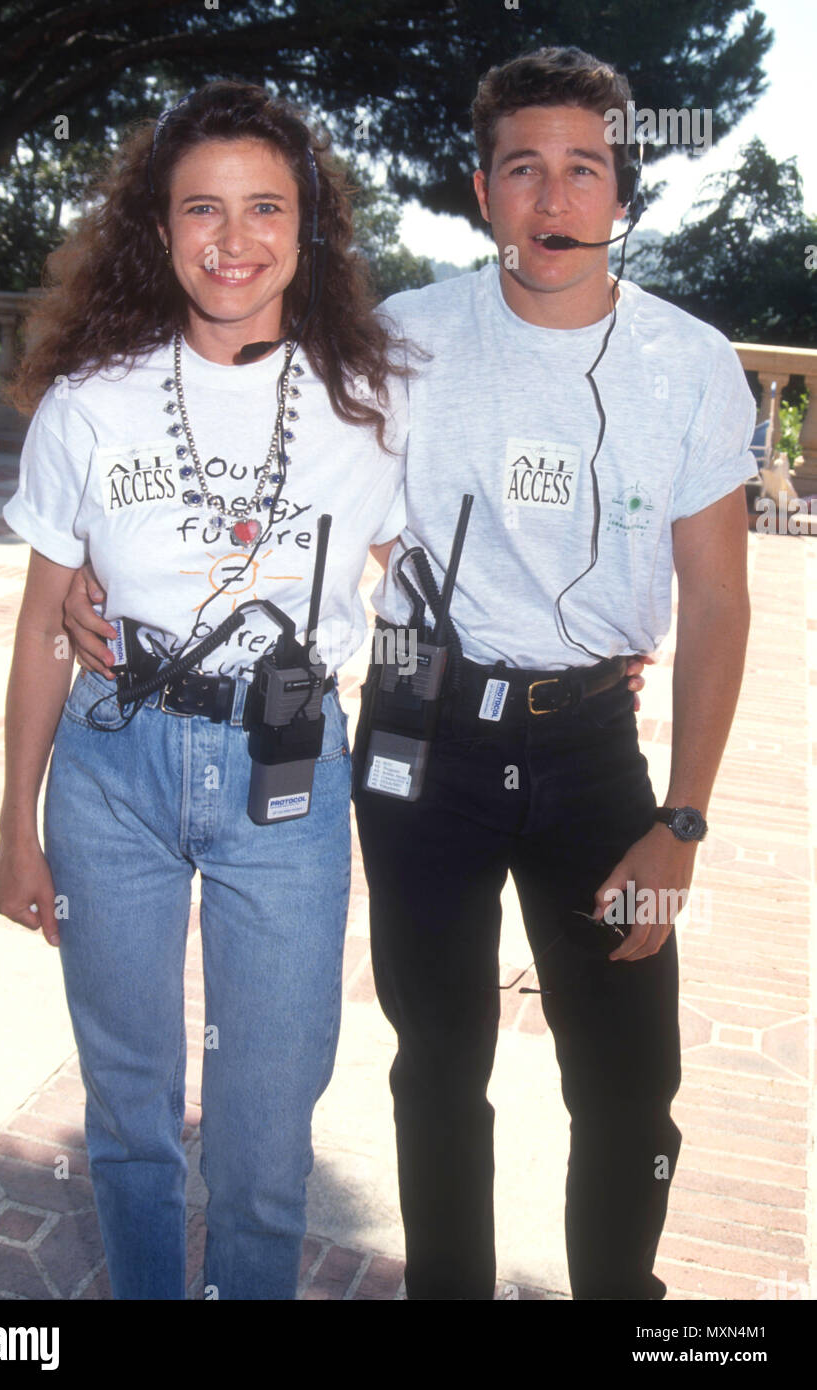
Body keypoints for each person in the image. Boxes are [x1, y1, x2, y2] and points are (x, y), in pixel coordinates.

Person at [0, 80, 413, 1300]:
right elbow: (37, 627)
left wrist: (582, 643)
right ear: (157, 230)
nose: (234, 239)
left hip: (286, 782)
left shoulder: (374, 402)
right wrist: (17, 828)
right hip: (113, 769)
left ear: (309, 226)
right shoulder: (90, 402)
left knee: (266, 1130)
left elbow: (447, 571)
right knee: (126, 1109)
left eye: (266, 207)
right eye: (201, 210)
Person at [349, 46, 754, 1300]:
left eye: (583, 170)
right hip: (423, 744)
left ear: (619, 195)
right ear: (485, 191)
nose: (554, 198)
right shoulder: (405, 338)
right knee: (439, 1060)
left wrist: (679, 819)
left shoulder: (688, 362)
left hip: (596, 764)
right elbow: (301, 484)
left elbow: (721, 597)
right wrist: (98, 569)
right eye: (524, 169)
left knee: (633, 1079)